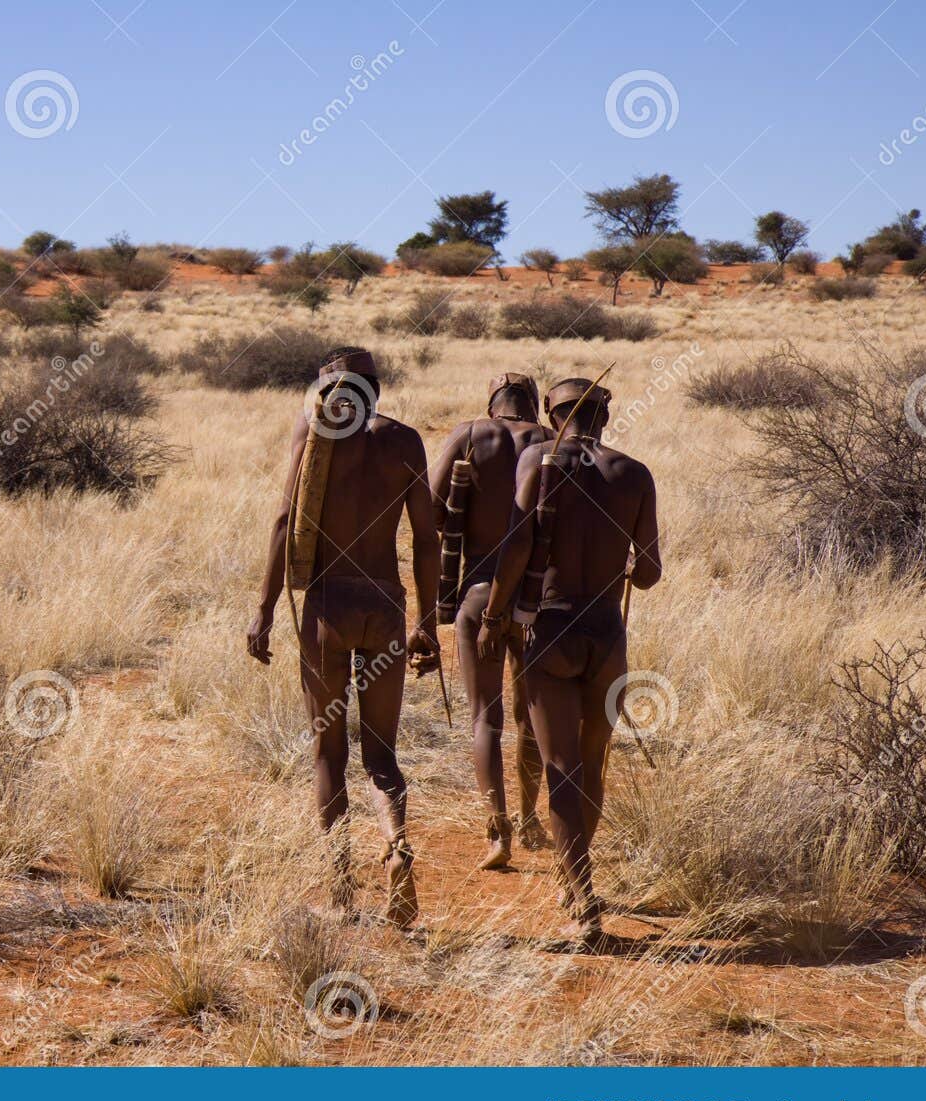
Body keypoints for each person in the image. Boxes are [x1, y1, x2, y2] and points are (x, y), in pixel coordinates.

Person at [247, 347, 441, 929]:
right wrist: (426, 622)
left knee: (330, 753)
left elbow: (285, 521)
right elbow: (426, 538)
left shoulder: (315, 432)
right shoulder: (405, 441)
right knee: (381, 753)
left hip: (327, 608)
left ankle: (340, 891)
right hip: (385, 606)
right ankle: (396, 846)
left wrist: (264, 610)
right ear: (375, 389)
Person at [478, 377, 661, 944]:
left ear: (554, 417)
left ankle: (582, 902)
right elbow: (649, 572)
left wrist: (493, 617)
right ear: (604, 417)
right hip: (607, 637)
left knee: (561, 767)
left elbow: (517, 547)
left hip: (550, 632)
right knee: (592, 762)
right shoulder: (634, 474)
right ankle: (572, 876)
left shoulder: (538, 461)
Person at [431, 373, 551, 870]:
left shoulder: (469, 435)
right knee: (532, 714)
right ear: (533, 404)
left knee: (486, 716)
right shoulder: (549, 442)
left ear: (492, 403)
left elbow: (432, 511)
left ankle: (497, 830)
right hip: (535, 600)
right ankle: (529, 818)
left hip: (479, 593)